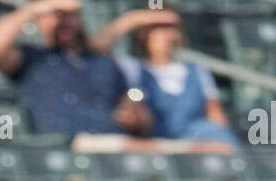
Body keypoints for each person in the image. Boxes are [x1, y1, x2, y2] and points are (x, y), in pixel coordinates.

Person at [0, 0, 152, 141]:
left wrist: (135, 117)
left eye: (71, 16)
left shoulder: (102, 61)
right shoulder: (33, 59)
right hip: (66, 148)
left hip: (118, 145)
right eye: (57, 15)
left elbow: (139, 115)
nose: (64, 22)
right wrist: (36, 8)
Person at [90, 6, 240, 154]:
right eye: (159, 29)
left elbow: (216, 116)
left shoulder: (197, 71)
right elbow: (96, 48)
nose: (167, 35)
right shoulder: (132, 69)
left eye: (172, 29)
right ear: (144, 34)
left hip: (197, 146)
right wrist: (135, 19)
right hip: (153, 146)